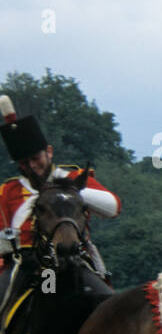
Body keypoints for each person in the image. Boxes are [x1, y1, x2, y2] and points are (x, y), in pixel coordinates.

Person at [0, 94, 120, 320]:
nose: (32, 166)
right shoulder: (8, 191)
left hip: (74, 261)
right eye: (25, 162)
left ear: (49, 152)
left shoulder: (73, 177)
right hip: (31, 267)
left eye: (36, 158)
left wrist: (69, 190)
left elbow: (113, 207)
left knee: (110, 309)